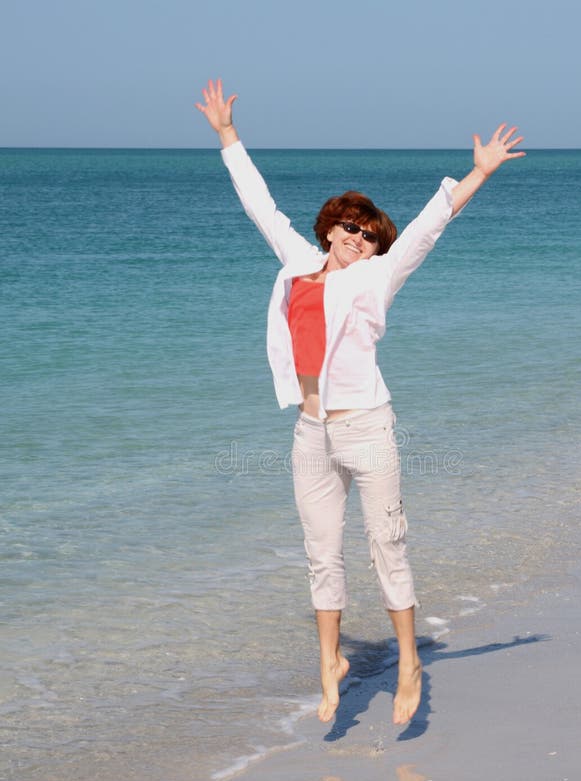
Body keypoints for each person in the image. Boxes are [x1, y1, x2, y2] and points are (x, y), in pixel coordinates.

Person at [196, 79, 525, 726]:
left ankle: (407, 662)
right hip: (309, 433)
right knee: (322, 554)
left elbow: (428, 229)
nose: (357, 237)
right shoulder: (295, 263)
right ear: (329, 228)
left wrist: (477, 174)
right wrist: (228, 136)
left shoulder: (379, 277)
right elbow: (261, 206)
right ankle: (330, 665)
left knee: (386, 545)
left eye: (369, 234)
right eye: (349, 227)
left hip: (367, 430)